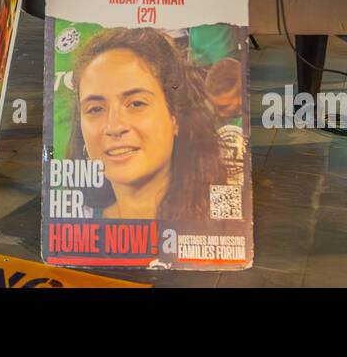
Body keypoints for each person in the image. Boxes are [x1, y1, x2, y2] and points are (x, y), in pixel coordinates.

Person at [64, 27, 228, 222]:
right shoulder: (75, 226)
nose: (114, 127)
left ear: (174, 117)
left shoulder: (222, 221)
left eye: (136, 104)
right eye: (96, 109)